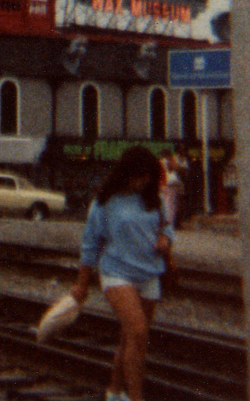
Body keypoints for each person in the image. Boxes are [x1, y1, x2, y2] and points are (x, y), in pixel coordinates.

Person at [70, 146, 173, 401]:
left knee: (131, 339)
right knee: (138, 332)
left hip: (149, 274)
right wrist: (81, 284)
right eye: (140, 175)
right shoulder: (105, 202)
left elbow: (167, 229)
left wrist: (165, 240)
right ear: (127, 173)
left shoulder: (153, 198)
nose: (144, 181)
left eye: (148, 176)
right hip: (116, 273)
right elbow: (90, 243)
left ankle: (114, 393)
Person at [159, 148, 187, 228]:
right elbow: (174, 169)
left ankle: (167, 221)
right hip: (171, 183)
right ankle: (170, 222)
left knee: (166, 204)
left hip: (164, 184)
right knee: (171, 204)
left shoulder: (161, 161)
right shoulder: (171, 160)